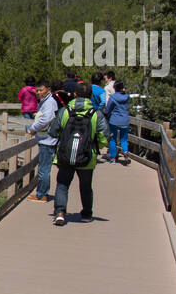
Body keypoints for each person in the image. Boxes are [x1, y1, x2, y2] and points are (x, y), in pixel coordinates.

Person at [49, 81, 109, 226]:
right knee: (86, 186)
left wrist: (64, 140)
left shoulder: (64, 111)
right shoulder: (96, 114)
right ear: (91, 96)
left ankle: (60, 213)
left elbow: (53, 131)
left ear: (75, 95)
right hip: (87, 157)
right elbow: (105, 136)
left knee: (62, 184)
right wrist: (96, 146)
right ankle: (87, 214)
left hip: (65, 155)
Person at [26, 80, 57, 202]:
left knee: (44, 168)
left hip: (47, 140)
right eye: (37, 90)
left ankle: (41, 194)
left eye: (41, 90)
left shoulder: (49, 102)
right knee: (44, 167)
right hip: (45, 138)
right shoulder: (45, 101)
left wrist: (33, 128)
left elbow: (46, 119)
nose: (38, 93)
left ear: (48, 90)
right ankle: (42, 192)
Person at [104, 79, 131, 164]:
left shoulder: (113, 97)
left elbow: (108, 109)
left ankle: (113, 158)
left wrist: (106, 115)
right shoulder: (127, 97)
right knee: (124, 139)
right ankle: (125, 151)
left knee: (113, 139)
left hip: (114, 120)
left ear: (115, 88)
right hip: (125, 120)